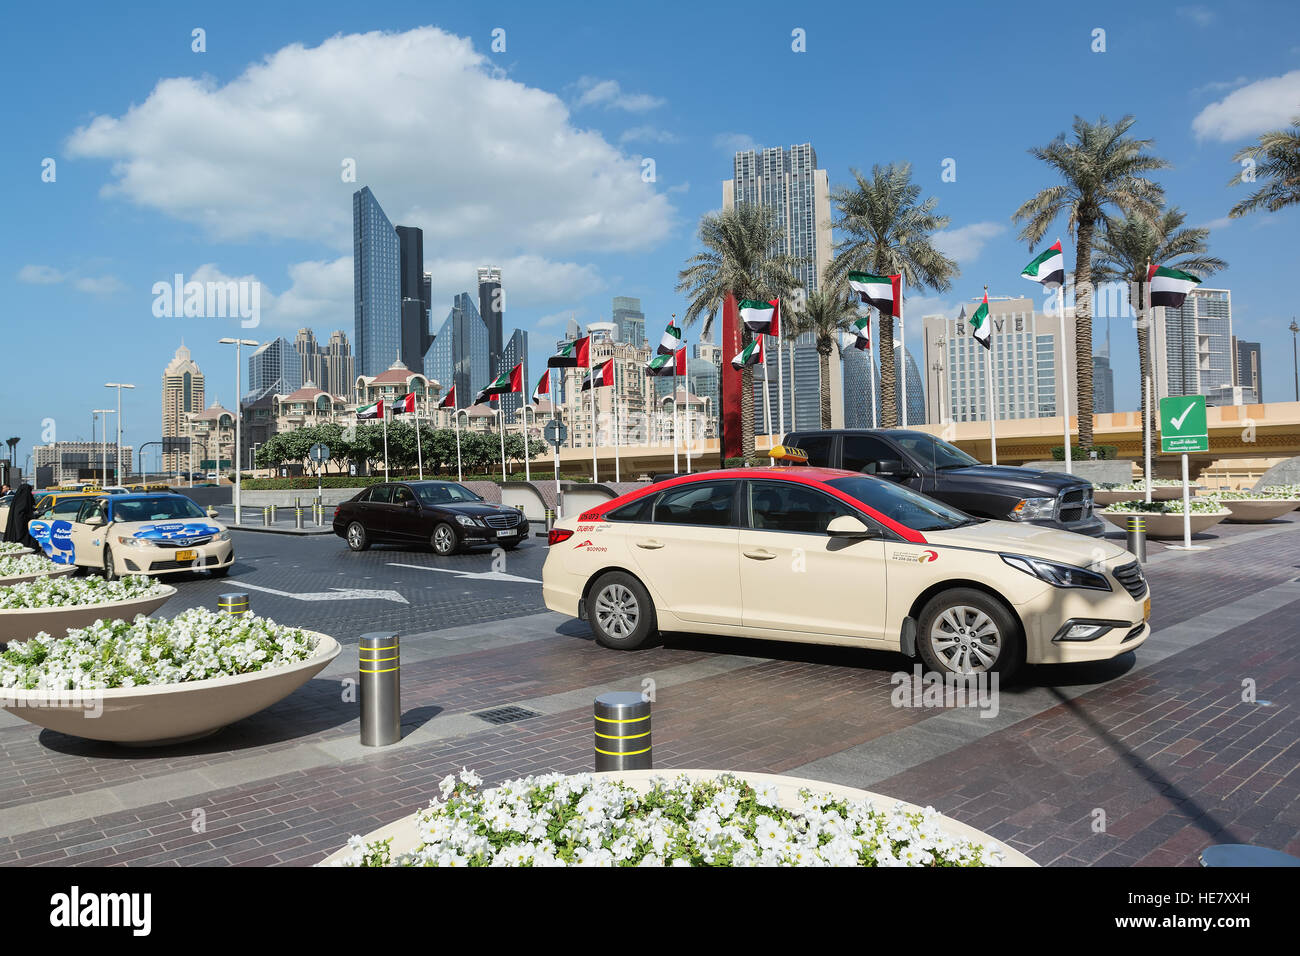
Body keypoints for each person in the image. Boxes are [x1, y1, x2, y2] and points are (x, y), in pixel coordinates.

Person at [2, 483, 38, 548]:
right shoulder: (23, 501)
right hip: (21, 530)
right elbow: (20, 516)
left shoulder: (18, 500)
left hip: (16, 529)